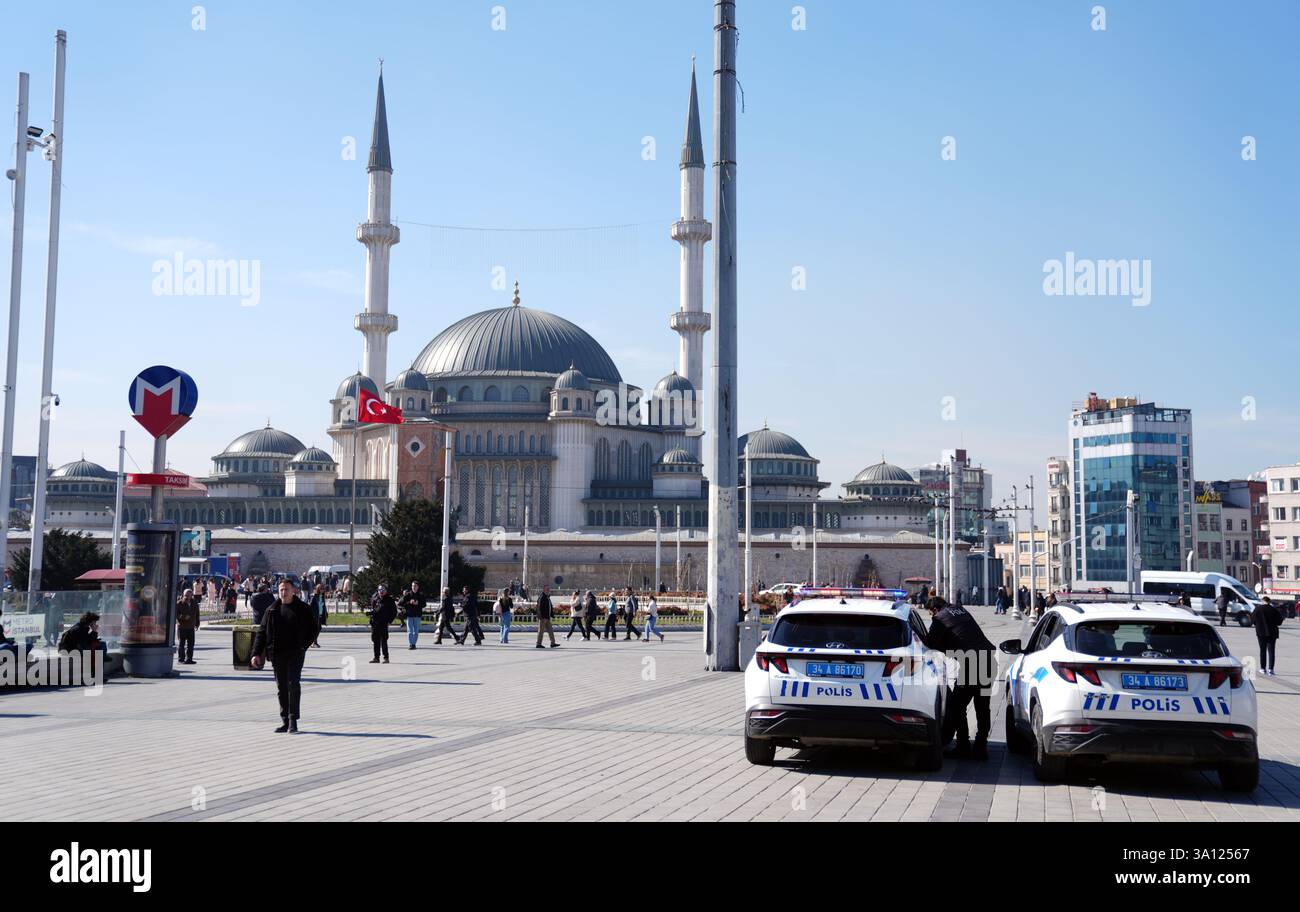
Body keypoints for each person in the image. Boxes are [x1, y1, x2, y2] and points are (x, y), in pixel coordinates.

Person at [921, 596, 995, 761]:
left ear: (934, 610)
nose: (931, 616)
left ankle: (963, 746)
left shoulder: (940, 618)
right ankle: (981, 748)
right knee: (983, 707)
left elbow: (930, 642)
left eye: (930, 613)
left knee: (956, 706)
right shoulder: (960, 609)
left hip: (974, 664)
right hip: (989, 659)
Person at [250, 579, 317, 734]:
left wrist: (303, 646)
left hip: (295, 653)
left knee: (293, 684)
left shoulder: (302, 609)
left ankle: (293, 720)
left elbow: (313, 628)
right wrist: (255, 654)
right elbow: (261, 633)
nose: (283, 593)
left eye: (286, 589)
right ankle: (285, 721)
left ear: (293, 590)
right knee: (281, 688)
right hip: (277, 654)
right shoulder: (272, 610)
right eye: (281, 590)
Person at [367, 584, 398, 663]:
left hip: (384, 623)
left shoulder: (389, 600)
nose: (381, 591)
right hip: (375, 623)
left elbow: (394, 612)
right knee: (375, 640)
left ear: (386, 591)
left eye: (383, 590)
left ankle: (386, 658)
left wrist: (389, 621)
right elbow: (374, 609)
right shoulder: (375, 599)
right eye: (379, 590)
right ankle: (376, 657)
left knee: (384, 640)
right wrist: (370, 615)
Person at [1255, 597, 1283, 676]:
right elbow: (1280, 622)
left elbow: (1252, 619)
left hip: (1261, 633)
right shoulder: (1274, 610)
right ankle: (1271, 669)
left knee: (1262, 650)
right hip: (1272, 633)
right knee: (1271, 651)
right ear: (1269, 602)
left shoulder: (1258, 609)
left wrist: (1258, 624)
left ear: (1263, 601)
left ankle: (1262, 669)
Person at [175, 588, 200, 665]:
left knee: (191, 644)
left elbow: (197, 614)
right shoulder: (179, 603)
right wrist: (183, 617)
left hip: (191, 627)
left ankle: (189, 659)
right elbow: (175, 615)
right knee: (181, 644)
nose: (187, 597)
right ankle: (181, 659)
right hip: (182, 627)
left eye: (189, 595)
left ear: (191, 595)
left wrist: (197, 624)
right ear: (183, 595)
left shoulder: (194, 603)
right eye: (186, 595)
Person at [400, 581, 427, 649]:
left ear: (418, 587)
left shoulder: (421, 595)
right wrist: (409, 602)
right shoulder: (408, 595)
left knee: (416, 631)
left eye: (415, 586)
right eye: (412, 586)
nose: (413, 587)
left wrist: (418, 603)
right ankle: (411, 644)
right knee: (410, 631)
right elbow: (400, 603)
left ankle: (414, 643)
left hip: (417, 615)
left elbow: (424, 604)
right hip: (410, 615)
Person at [535, 585, 559, 649]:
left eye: (549, 589)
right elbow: (538, 607)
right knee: (541, 631)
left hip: (547, 617)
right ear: (544, 590)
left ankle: (553, 643)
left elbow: (549, 607)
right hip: (543, 617)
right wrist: (540, 616)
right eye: (547, 589)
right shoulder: (542, 597)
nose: (549, 590)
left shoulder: (547, 597)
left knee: (550, 630)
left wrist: (551, 615)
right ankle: (538, 644)